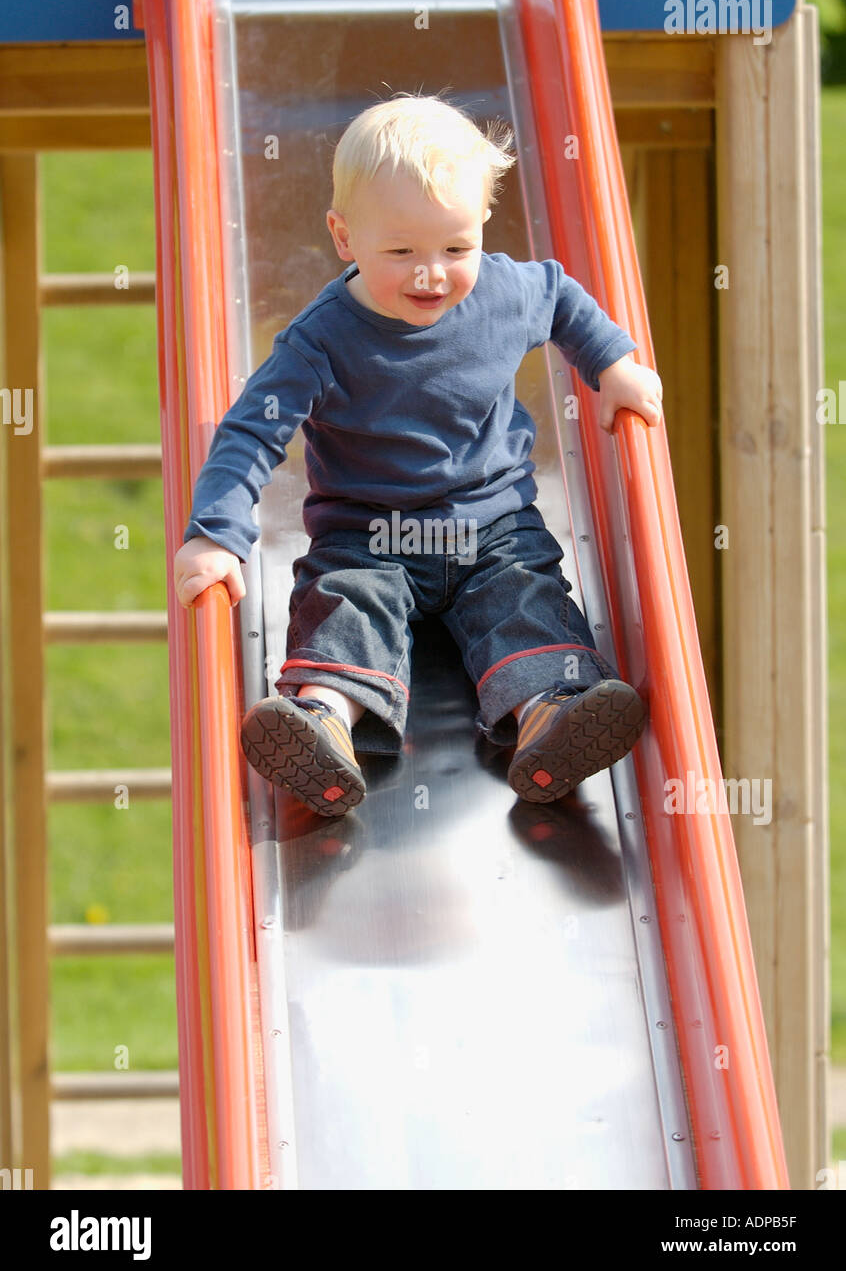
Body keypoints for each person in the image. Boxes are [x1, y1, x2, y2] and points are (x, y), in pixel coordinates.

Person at [173, 94, 663, 819]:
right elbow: (252, 429)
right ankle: (323, 724)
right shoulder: (322, 339)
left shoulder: (504, 291)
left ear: (482, 231)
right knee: (347, 606)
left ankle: (549, 725)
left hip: (491, 525)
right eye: (401, 251)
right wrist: (216, 533)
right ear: (344, 237)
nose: (431, 273)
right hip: (369, 535)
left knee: (526, 599)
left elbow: (561, 298)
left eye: (455, 248)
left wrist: (612, 363)